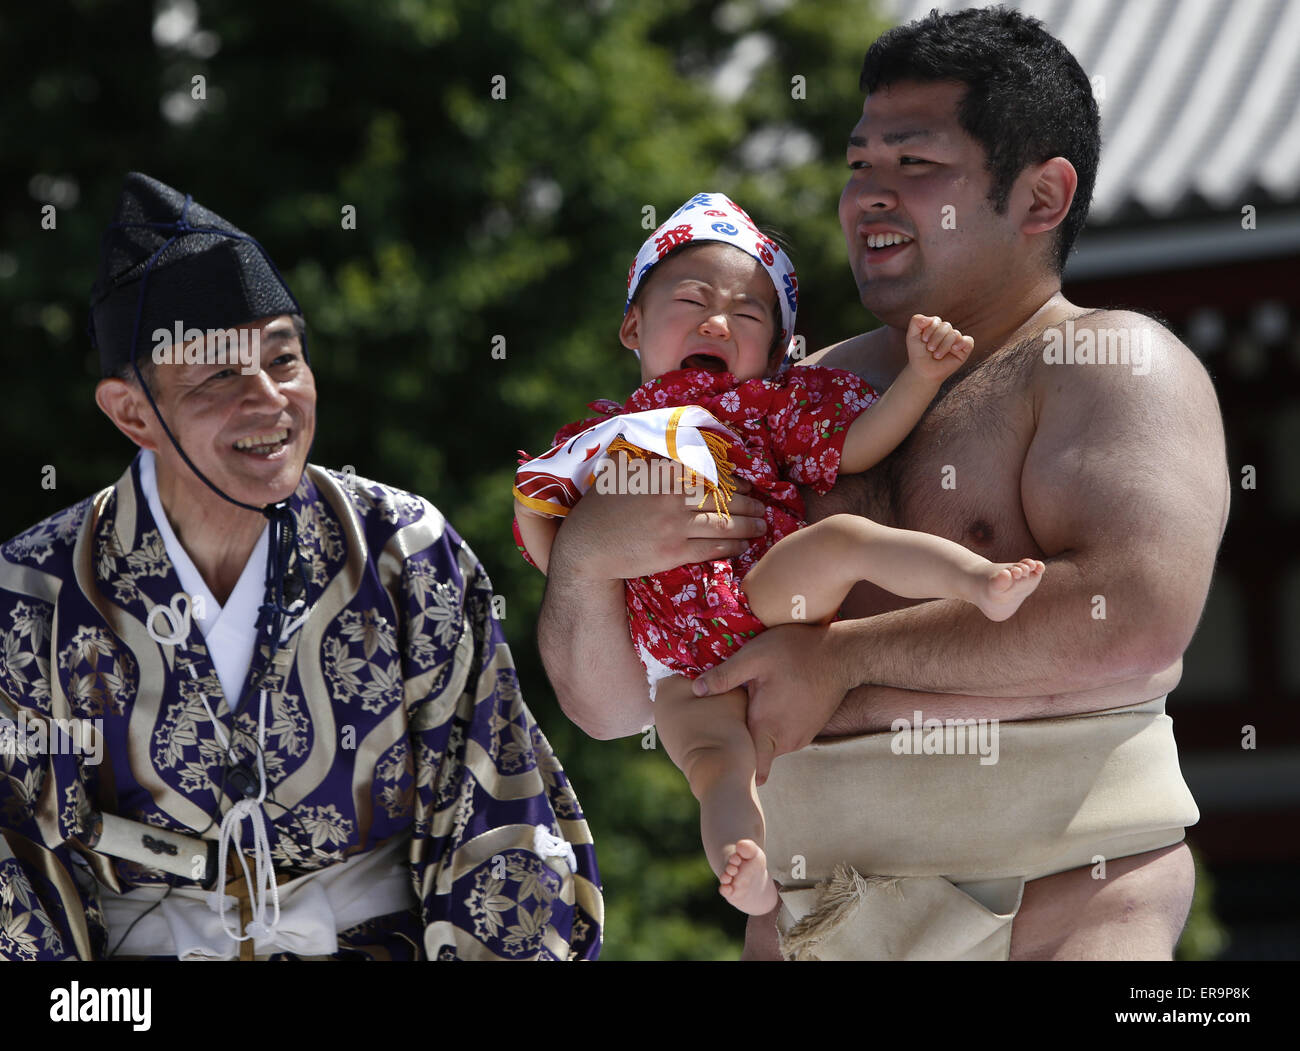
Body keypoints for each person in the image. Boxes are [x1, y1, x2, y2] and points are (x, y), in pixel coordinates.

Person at [536, 7, 1224, 960]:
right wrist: (585, 561)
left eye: (916, 165)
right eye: (860, 165)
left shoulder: (1107, 360)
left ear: (1041, 196)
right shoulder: (781, 397)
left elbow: (1133, 610)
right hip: (814, 913)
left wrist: (844, 656)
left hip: (1065, 900)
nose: (869, 196)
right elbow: (612, 709)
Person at [0, 172, 602, 961]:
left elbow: (493, 819)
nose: (268, 399)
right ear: (132, 411)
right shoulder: (35, 589)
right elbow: (17, 877)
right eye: (219, 375)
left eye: (283, 359)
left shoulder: (405, 552)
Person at [514, 191, 1044, 916]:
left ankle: (978, 580)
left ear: (777, 348)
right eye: (692, 298)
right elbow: (538, 514)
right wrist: (579, 552)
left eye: (748, 312)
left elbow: (857, 443)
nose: (717, 320)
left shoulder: (769, 405)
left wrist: (921, 377)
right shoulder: (603, 434)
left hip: (761, 592)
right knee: (716, 767)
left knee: (842, 542)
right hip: (673, 664)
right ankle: (749, 868)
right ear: (632, 325)